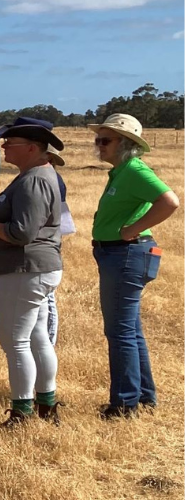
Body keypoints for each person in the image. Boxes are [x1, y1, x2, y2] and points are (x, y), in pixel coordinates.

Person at [0, 118, 64, 428]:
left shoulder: (33, 180)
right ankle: (46, 405)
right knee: (37, 338)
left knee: (15, 341)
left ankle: (22, 412)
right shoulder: (36, 175)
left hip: (24, 268)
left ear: (32, 148)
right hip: (35, 269)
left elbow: (22, 233)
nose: (4, 147)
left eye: (11, 143)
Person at [87, 113, 180, 419]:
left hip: (125, 254)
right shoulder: (121, 171)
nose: (99, 145)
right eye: (98, 139)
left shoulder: (135, 170)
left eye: (106, 140)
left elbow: (170, 201)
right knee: (129, 330)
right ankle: (142, 397)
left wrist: (132, 229)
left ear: (126, 144)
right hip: (121, 255)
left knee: (120, 332)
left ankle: (124, 405)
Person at [45, 146, 71, 346]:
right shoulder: (51, 178)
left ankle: (49, 340)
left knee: (48, 297)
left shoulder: (52, 179)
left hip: (47, 243)